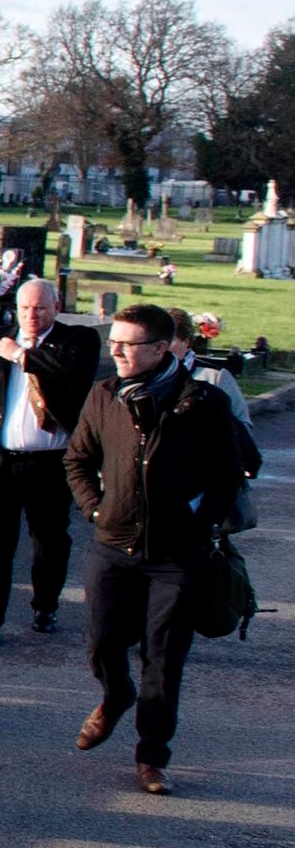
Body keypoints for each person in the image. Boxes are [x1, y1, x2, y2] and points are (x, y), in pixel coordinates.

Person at [66, 303, 249, 794]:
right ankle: (115, 696)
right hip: (112, 545)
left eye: (128, 344)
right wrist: (96, 511)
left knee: (163, 659)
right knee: (102, 642)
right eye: (113, 343)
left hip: (177, 557)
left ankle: (151, 757)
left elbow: (228, 475)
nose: (117, 352)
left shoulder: (203, 402)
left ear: (161, 348)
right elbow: (77, 459)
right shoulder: (105, 394)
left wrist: (198, 523)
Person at [0, 278, 98, 643]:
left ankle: (45, 605)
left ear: (56, 308)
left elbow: (73, 369)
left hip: (51, 463)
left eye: (40, 308)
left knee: (49, 538)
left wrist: (21, 355)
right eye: (25, 308)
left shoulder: (77, 340)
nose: (32, 315)